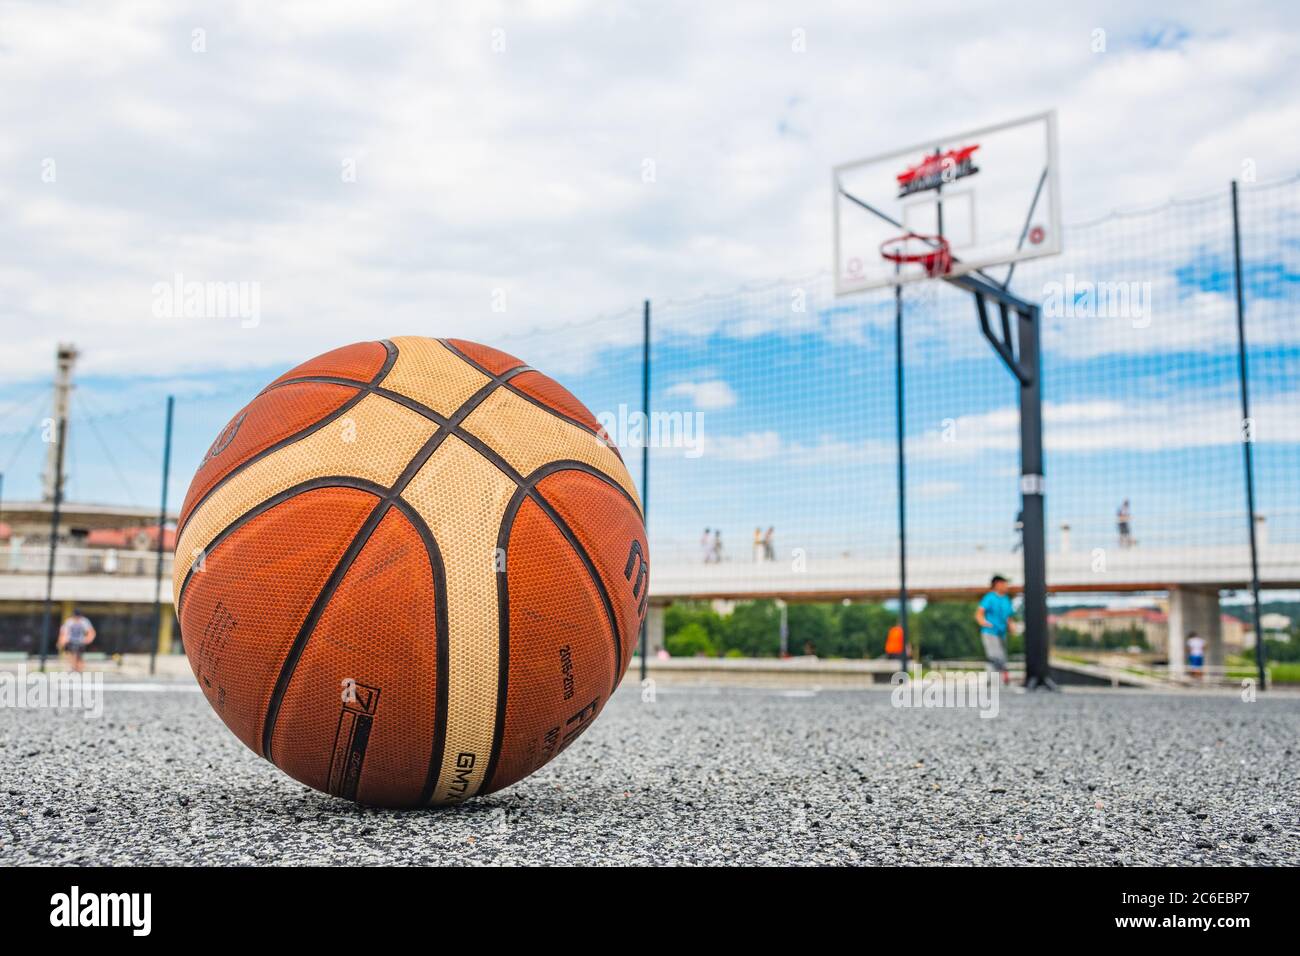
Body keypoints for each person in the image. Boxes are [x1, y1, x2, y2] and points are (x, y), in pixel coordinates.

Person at [975, 575, 1014, 685]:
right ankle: (993, 680)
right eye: (1004, 583)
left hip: (1001, 633)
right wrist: (983, 622)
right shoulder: (990, 597)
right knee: (994, 656)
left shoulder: (1006, 599)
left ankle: (999, 678)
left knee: (1002, 655)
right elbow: (979, 612)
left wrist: (1011, 626)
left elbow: (1009, 616)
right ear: (997, 584)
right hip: (990, 632)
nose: (1006, 586)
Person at [57, 608, 96, 673]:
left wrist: (88, 639)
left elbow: (91, 631)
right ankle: (73, 668)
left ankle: (79, 669)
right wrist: (61, 641)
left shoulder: (84, 621)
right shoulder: (69, 621)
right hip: (71, 641)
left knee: (79, 656)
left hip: (81, 641)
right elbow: (63, 632)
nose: (77, 618)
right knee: (72, 654)